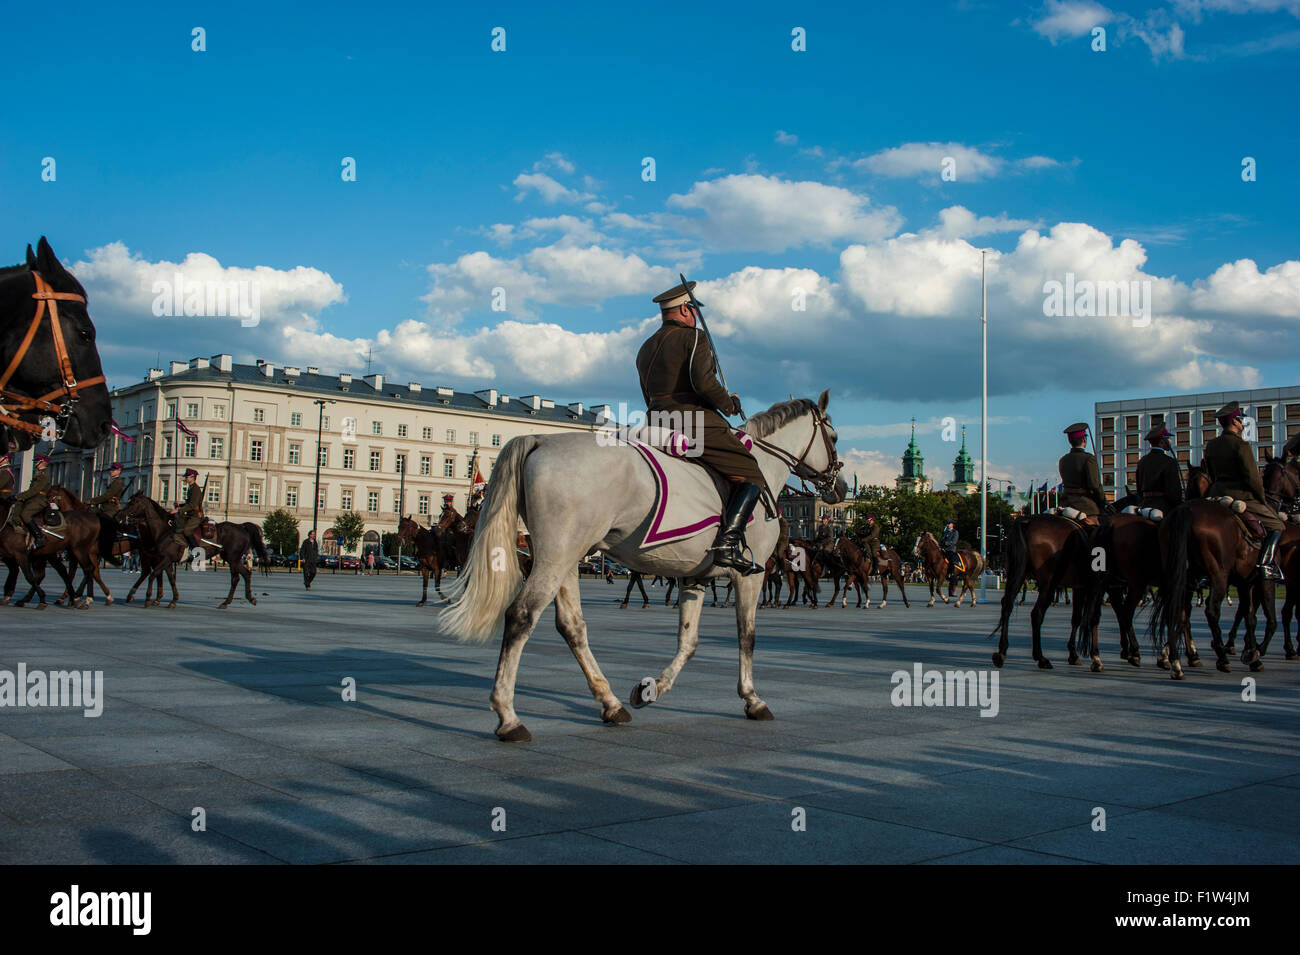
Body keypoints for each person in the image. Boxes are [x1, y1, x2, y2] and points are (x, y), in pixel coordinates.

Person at [636, 280, 766, 575]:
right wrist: (729, 404)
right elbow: (703, 383)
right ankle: (728, 544)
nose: (694, 314)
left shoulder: (645, 347)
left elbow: (647, 393)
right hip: (691, 420)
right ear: (684, 308)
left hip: (654, 419)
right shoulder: (694, 338)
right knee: (752, 473)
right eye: (693, 309)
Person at [1203, 401, 1285, 581]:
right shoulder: (1241, 445)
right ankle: (1266, 565)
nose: (1242, 424)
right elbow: (1252, 477)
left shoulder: (1212, 445)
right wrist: (1261, 498)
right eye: (1240, 421)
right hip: (1240, 496)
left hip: (1216, 494)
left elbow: (1210, 472)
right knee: (1278, 525)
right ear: (1235, 422)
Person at [1058, 422, 1107, 522]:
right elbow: (1094, 485)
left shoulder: (1063, 460)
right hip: (1084, 505)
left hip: (1065, 503)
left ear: (1069, 441)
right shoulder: (1089, 459)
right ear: (1084, 439)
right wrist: (1103, 501)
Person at [1136, 424, 1183, 512]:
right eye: (1168, 439)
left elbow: (1139, 489)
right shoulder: (1169, 461)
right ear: (1162, 442)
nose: (1170, 441)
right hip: (1163, 506)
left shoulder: (1142, 461)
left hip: (1144, 505)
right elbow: (1174, 491)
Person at [12, 454, 51, 549]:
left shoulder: (44, 474)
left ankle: (39, 537)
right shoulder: (39, 473)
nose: (35, 463)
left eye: (37, 461)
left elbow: (35, 490)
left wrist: (18, 496)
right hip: (33, 498)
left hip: (39, 499)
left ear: (43, 462)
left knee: (25, 514)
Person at [171, 468, 203, 548]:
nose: (185, 478)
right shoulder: (191, 487)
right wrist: (179, 505)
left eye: (187, 477)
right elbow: (188, 503)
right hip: (190, 514)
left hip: (195, 515)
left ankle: (196, 549)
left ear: (192, 477)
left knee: (187, 530)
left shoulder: (195, 489)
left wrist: (178, 510)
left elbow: (193, 504)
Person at [940, 518, 960, 598]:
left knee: (951, 560)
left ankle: (951, 572)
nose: (947, 525)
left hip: (951, 549)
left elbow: (954, 542)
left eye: (949, 523)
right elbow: (942, 540)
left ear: (952, 525)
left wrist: (946, 543)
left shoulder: (955, 532)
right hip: (943, 549)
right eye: (947, 523)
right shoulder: (945, 532)